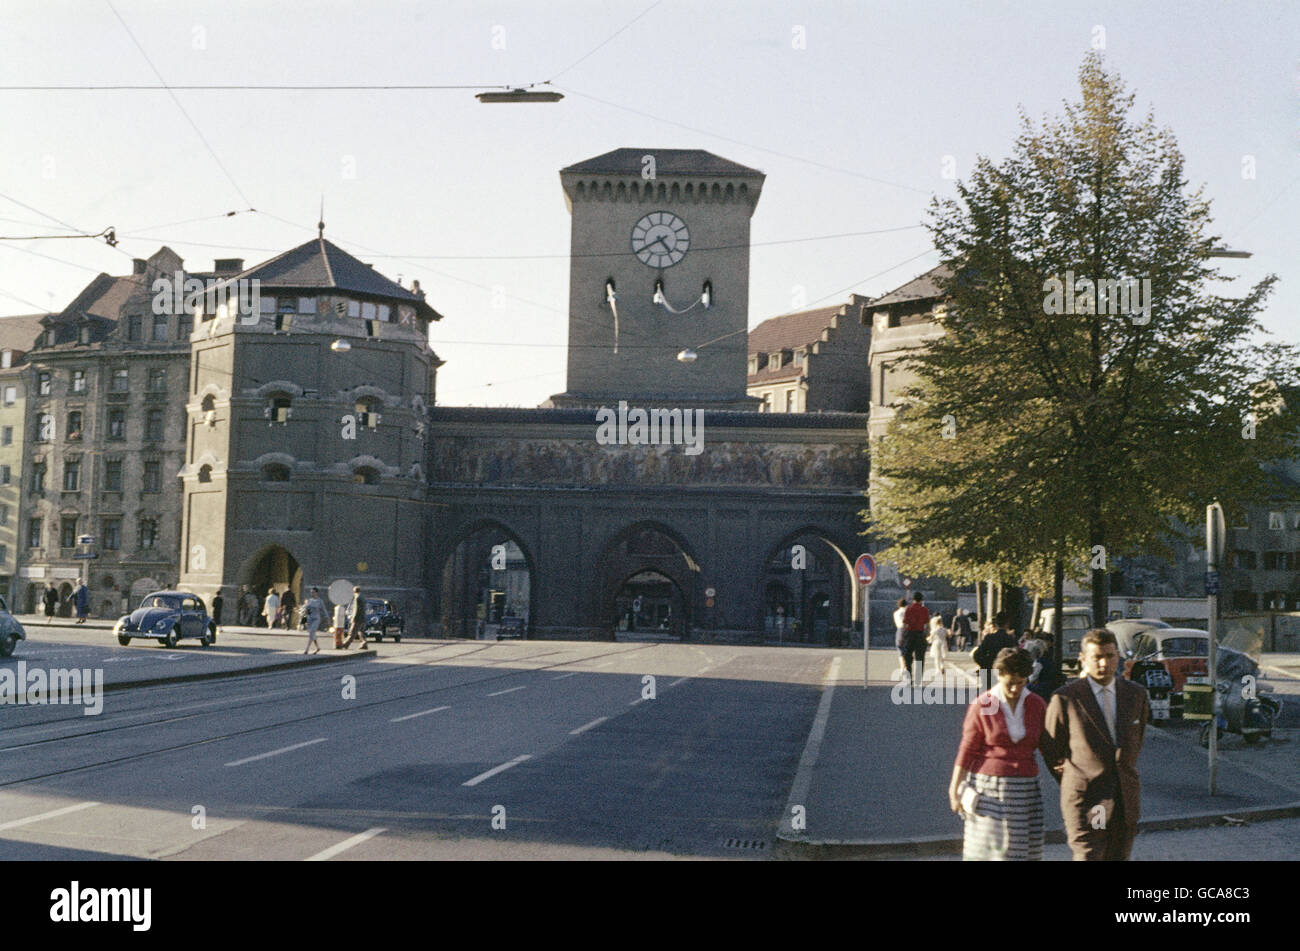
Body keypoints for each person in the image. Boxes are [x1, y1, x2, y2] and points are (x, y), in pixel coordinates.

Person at [1040, 628, 1151, 861]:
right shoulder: (1066, 698)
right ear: (1083, 659)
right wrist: (1076, 777)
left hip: (1123, 800)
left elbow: (1135, 740)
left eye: (1110, 656)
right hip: (1089, 801)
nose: (1104, 663)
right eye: (1096, 657)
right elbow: (1051, 749)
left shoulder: (1136, 694)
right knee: (1089, 857)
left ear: (1118, 657)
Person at [949, 648, 1048, 861]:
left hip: (1026, 790)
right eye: (1009, 682)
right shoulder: (983, 705)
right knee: (992, 853)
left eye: (1021, 682)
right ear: (998, 675)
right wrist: (954, 788)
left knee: (1022, 852)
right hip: (989, 791)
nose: (1014, 688)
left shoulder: (1036, 705)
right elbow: (967, 749)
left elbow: (1048, 745)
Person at [901, 592, 930, 684]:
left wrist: (902, 636)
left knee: (908, 657)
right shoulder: (924, 610)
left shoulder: (909, 609)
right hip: (920, 635)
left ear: (913, 599)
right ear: (921, 600)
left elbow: (905, 624)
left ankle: (909, 678)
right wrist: (927, 635)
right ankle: (918, 680)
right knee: (920, 658)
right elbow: (927, 624)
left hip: (910, 635)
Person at [301, 587, 326, 654]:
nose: (312, 593)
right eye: (311, 592)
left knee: (312, 632)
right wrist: (303, 621)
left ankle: (307, 649)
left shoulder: (320, 601)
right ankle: (318, 648)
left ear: (316, 593)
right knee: (312, 634)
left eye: (313, 592)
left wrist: (327, 618)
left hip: (316, 619)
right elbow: (306, 611)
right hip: (309, 619)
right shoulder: (309, 600)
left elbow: (324, 610)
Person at [893, 597, 909, 678]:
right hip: (909, 629)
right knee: (908, 648)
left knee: (900, 648)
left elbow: (898, 623)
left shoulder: (896, 613)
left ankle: (902, 667)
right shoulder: (909, 611)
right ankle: (907, 667)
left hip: (900, 630)